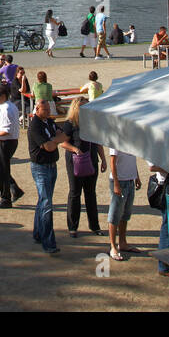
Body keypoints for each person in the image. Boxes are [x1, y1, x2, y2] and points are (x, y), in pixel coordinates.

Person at [27, 98, 68, 255]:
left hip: (52, 166)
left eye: (49, 110)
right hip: (40, 167)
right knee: (46, 204)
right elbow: (50, 146)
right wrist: (55, 140)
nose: (48, 113)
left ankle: (38, 234)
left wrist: (54, 140)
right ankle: (48, 242)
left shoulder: (49, 122)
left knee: (43, 201)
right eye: (45, 110)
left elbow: (63, 136)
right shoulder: (34, 126)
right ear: (37, 110)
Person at [59, 97, 104, 237]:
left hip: (91, 160)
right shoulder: (70, 124)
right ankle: (73, 227)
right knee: (75, 193)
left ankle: (95, 226)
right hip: (76, 161)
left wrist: (103, 159)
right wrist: (75, 149)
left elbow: (98, 142)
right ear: (76, 108)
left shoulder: (93, 122)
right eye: (82, 107)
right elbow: (62, 142)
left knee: (91, 193)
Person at [0, 83, 24, 209]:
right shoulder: (9, 106)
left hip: (6, 141)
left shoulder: (6, 109)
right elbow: (9, 125)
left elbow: (6, 130)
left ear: (4, 96)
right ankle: (14, 189)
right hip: (10, 141)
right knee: (0, 167)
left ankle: (5, 198)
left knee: (2, 169)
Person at [107, 146, 141, 260]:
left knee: (125, 214)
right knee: (115, 214)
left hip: (130, 180)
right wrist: (116, 183)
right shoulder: (115, 139)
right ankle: (112, 246)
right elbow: (112, 162)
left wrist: (137, 177)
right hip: (119, 182)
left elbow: (133, 161)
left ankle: (122, 242)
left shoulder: (131, 139)